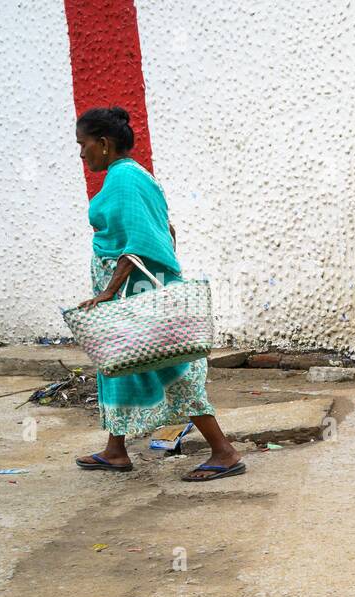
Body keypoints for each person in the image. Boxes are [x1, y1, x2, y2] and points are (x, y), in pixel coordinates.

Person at [71, 107, 243, 482]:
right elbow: (167, 229)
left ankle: (224, 451)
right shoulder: (129, 176)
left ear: (104, 143)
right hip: (133, 290)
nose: (82, 154)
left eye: (84, 145)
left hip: (134, 292)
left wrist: (110, 292)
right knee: (121, 363)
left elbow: (142, 241)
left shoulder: (124, 180)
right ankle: (115, 451)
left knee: (171, 366)